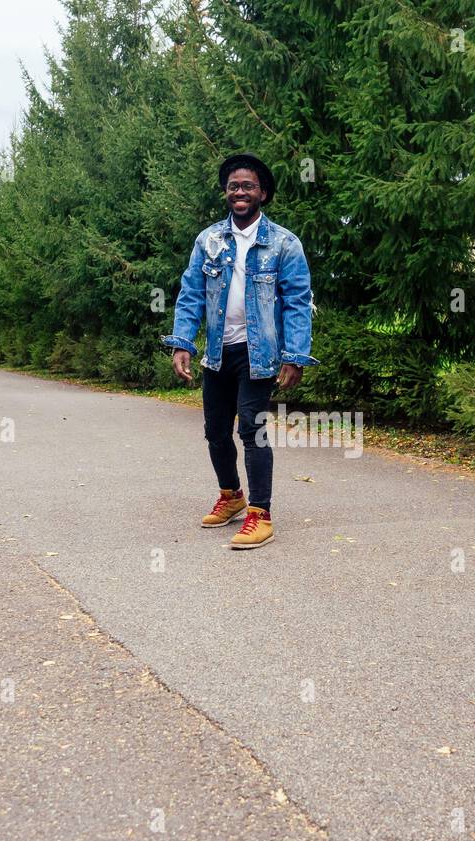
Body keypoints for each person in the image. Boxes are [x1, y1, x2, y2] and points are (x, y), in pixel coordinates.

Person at [162, 153, 318, 550]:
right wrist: (182, 342)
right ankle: (231, 496)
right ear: (226, 193)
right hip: (219, 351)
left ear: (262, 193)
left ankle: (260, 514)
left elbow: (298, 301)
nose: (240, 192)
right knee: (215, 431)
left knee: (252, 428)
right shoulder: (209, 240)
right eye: (234, 186)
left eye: (248, 185)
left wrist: (295, 355)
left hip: (259, 352)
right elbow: (191, 294)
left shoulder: (284, 243)